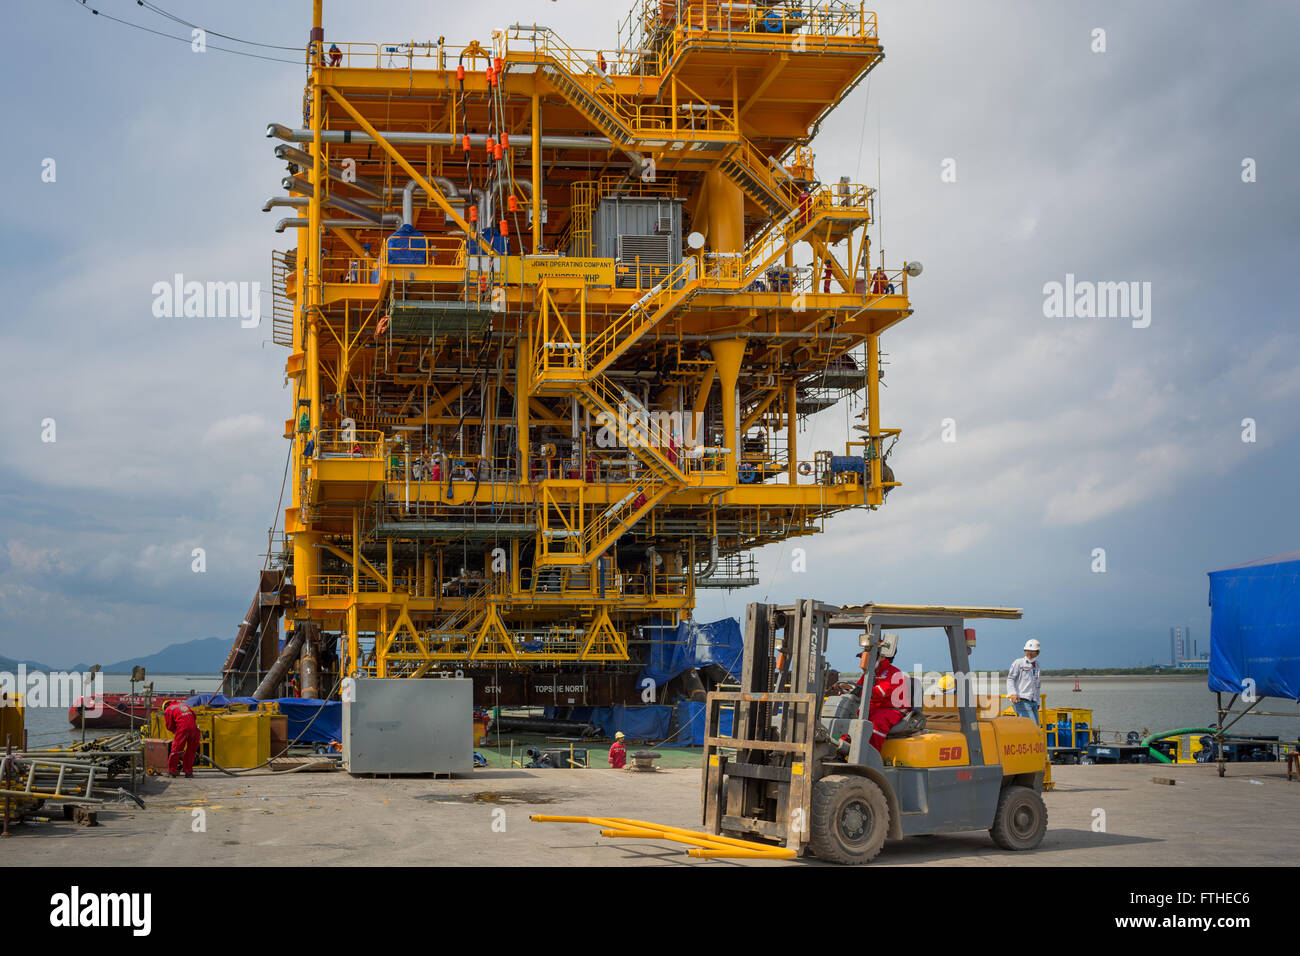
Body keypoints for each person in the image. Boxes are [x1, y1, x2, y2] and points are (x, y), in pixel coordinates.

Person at [856, 631, 906, 752]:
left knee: (875, 723)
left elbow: (879, 692)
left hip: (892, 710)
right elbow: (858, 688)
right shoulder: (869, 674)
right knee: (851, 718)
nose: (865, 660)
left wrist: (860, 691)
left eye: (868, 656)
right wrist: (846, 690)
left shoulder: (894, 674)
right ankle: (842, 749)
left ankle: (870, 754)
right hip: (874, 708)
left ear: (882, 656)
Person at [163, 699, 201, 778]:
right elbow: (194, 716)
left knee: (176, 750)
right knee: (191, 751)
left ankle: (172, 771)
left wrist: (176, 731)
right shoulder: (183, 705)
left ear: (165, 707)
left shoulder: (168, 709)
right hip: (194, 729)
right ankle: (188, 772)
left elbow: (169, 725)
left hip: (182, 729)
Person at [1007, 639, 1042, 724]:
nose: (1029, 653)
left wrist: (1037, 701)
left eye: (1032, 651)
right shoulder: (1019, 663)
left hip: (1033, 701)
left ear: (1037, 652)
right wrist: (1013, 693)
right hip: (1022, 700)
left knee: (1036, 726)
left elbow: (1037, 685)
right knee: (1031, 727)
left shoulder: (1037, 665)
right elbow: (1010, 678)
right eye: (1027, 651)